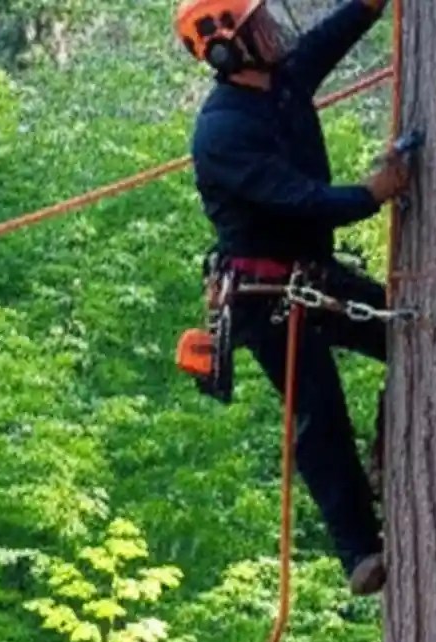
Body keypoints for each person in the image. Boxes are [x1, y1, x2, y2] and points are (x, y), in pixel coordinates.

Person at [174, 0, 408, 596]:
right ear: (228, 48)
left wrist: (367, 6)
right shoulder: (221, 131)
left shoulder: (282, 82)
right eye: (259, 27)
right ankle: (359, 550)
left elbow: (328, 40)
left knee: (410, 334)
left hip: (313, 272)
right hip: (263, 295)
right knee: (319, 409)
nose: (274, 32)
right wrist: (371, 194)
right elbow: (296, 197)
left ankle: (394, 440)